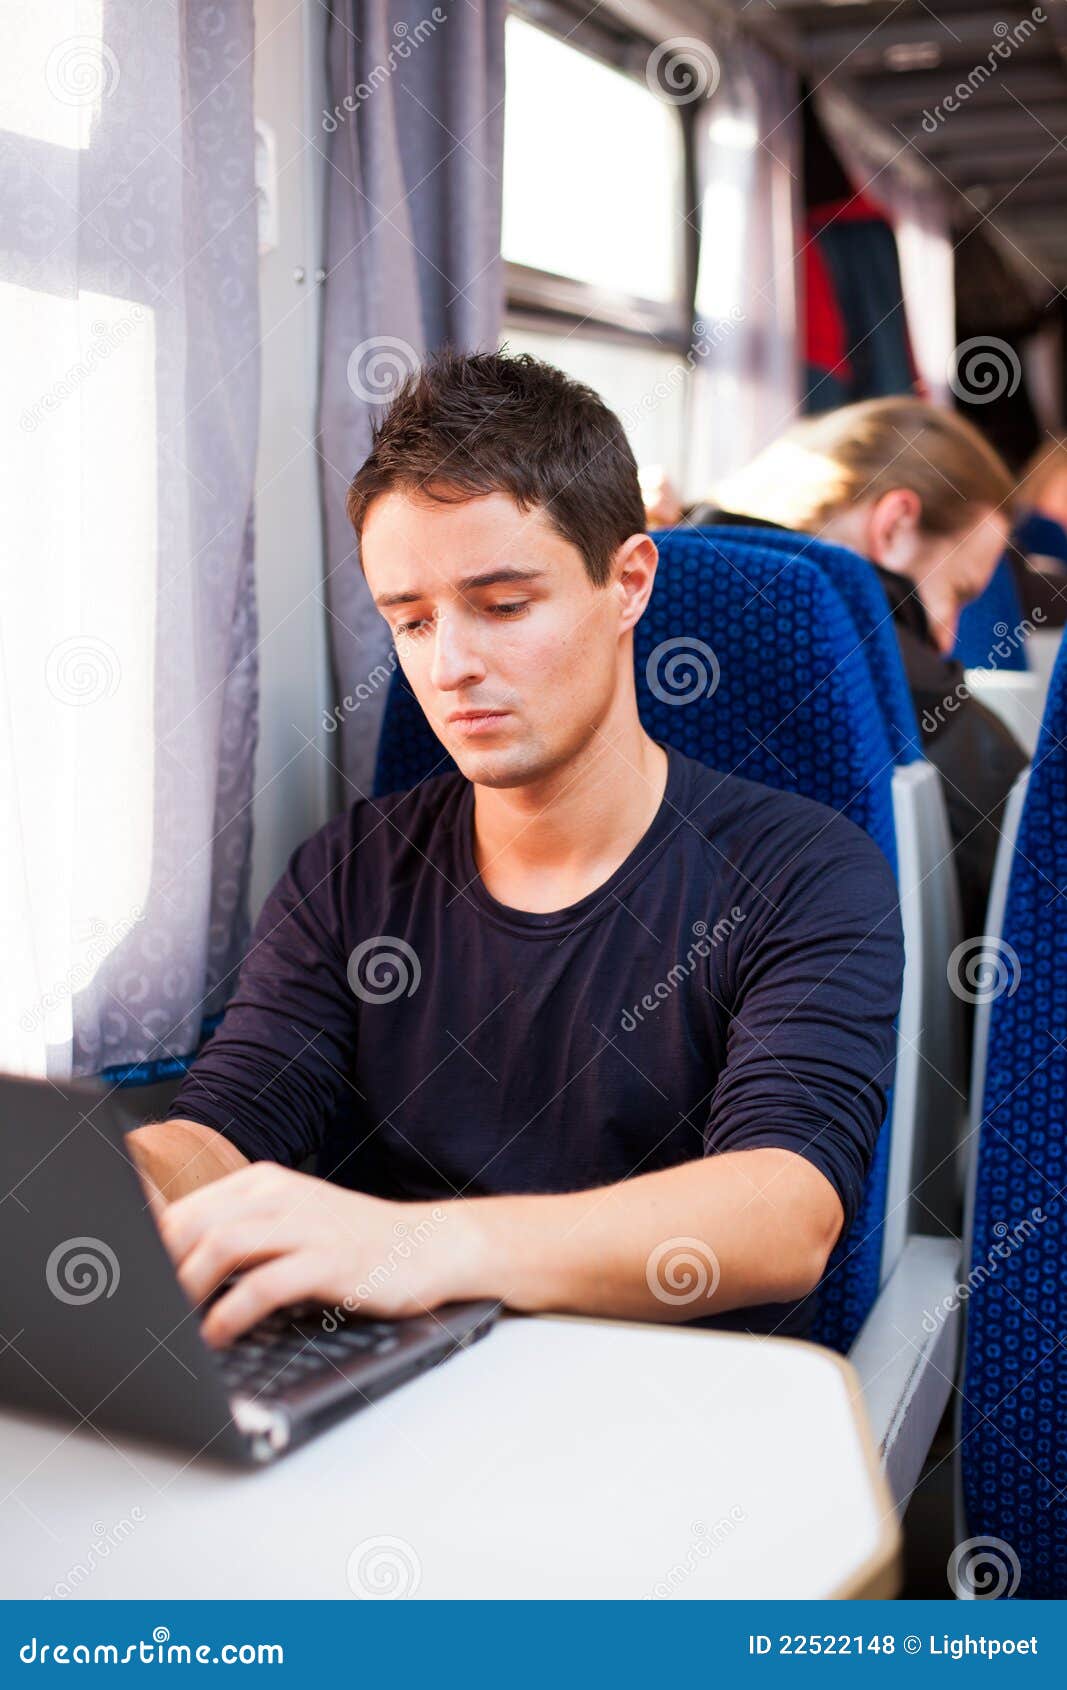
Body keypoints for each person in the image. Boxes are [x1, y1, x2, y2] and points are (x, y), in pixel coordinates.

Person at [128, 351, 903, 1348]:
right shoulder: (353, 870)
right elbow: (230, 1124)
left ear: (627, 583)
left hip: (673, 1402)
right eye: (411, 622)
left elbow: (780, 1215)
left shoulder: (803, 872)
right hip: (393, 1386)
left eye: (502, 607)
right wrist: (128, 1178)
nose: (449, 666)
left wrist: (414, 1247)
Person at [668, 398, 1029, 939]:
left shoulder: (641, 590)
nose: (949, 639)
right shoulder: (958, 732)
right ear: (895, 525)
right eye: (957, 593)